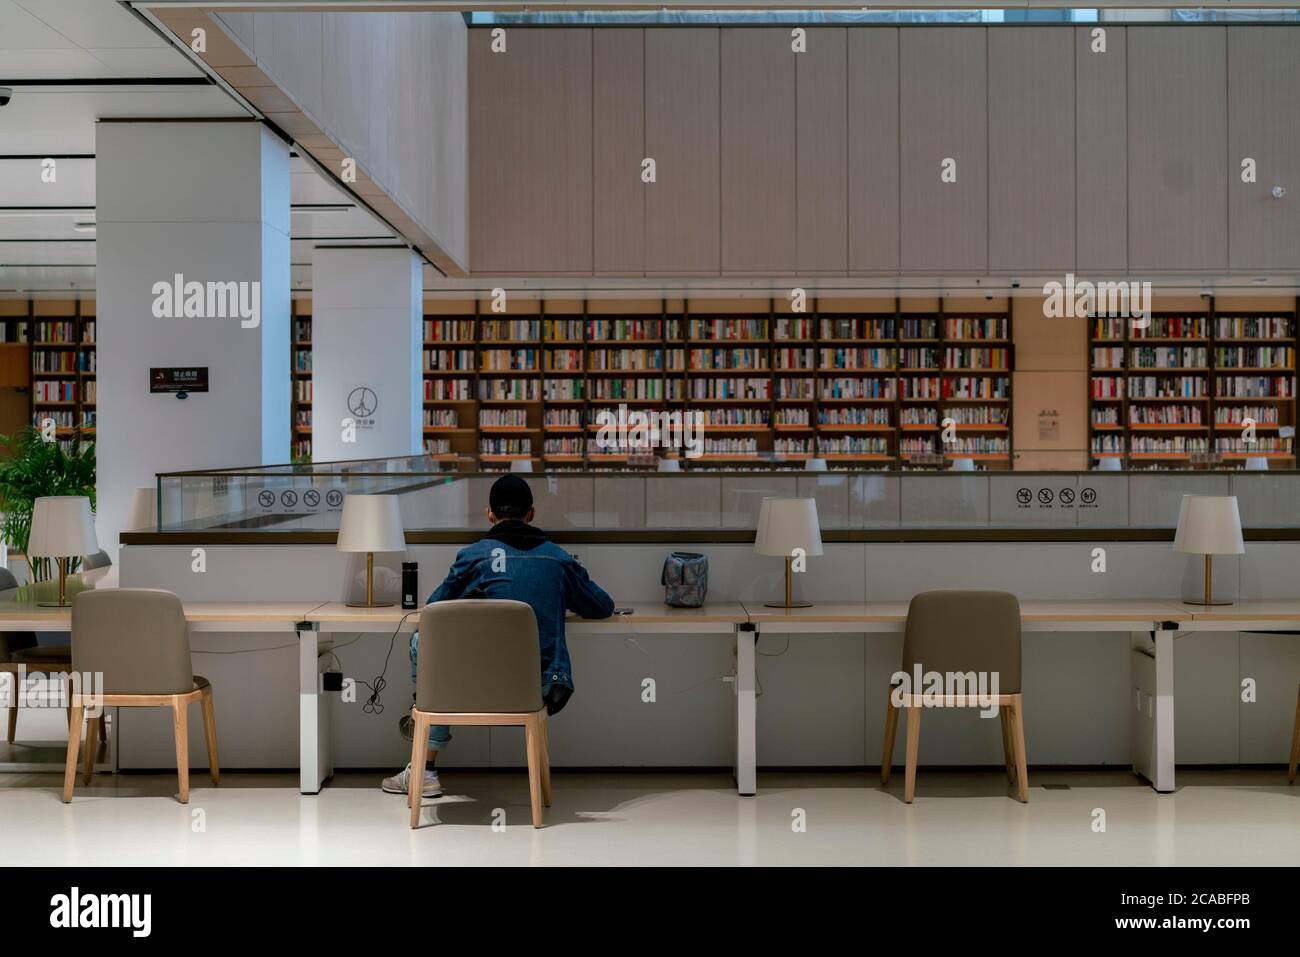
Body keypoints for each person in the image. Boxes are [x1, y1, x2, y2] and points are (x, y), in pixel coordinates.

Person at [382, 474, 616, 796]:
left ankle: (426, 769)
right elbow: (602, 606)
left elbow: (434, 610)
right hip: (536, 690)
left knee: (423, 642)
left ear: (489, 514)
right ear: (531, 513)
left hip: (469, 690)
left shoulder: (474, 556)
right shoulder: (557, 559)